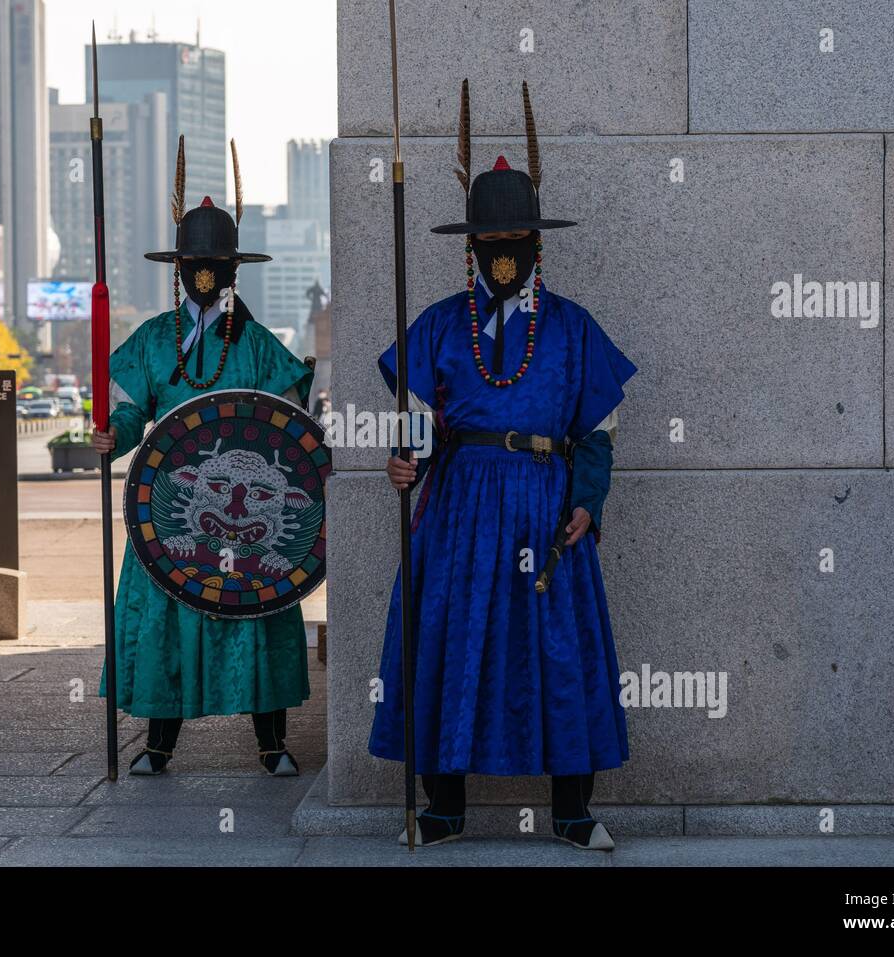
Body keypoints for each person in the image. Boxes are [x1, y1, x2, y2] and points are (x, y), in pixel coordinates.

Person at [367, 81, 637, 850]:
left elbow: (599, 432)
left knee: (558, 647)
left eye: (517, 241)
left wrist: (589, 498)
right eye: (492, 244)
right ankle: (443, 806)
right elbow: (416, 423)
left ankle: (574, 812)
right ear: (473, 249)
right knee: (449, 636)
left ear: (536, 244)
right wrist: (403, 462)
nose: (504, 255)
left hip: (550, 509)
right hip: (458, 508)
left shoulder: (575, 329)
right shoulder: (441, 325)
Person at [94, 136, 315, 776]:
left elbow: (291, 428)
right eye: (196, 261)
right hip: (175, 510)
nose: (205, 272)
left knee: (257, 613)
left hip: (252, 515)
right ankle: (159, 743)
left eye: (216, 262)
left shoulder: (257, 344)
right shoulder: (153, 341)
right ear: (180, 265)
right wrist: (116, 435)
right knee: (165, 614)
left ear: (232, 269)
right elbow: (132, 411)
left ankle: (271, 743)